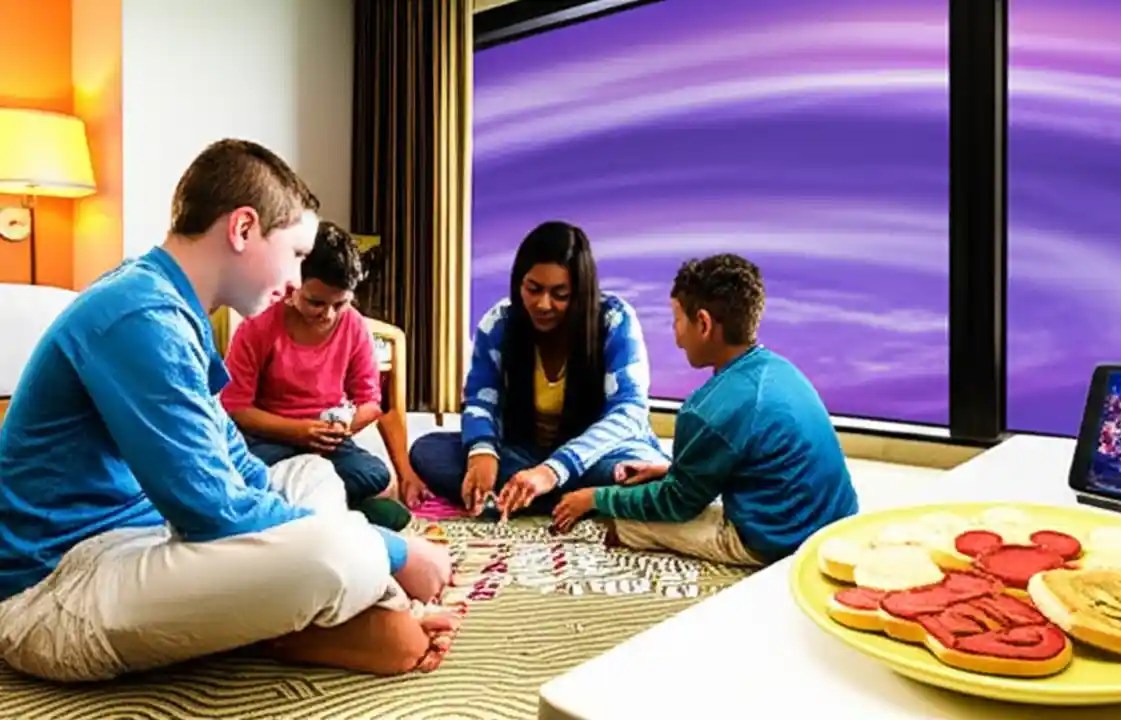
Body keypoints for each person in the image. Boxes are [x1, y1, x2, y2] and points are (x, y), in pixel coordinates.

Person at [0, 139, 456, 683]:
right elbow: (212, 510)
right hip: (56, 589)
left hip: (142, 538)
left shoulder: (166, 303)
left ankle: (309, 615)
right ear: (242, 228)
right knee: (341, 551)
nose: (296, 280)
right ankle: (314, 616)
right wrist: (395, 553)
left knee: (309, 475)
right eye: (295, 253)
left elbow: (235, 462)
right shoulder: (139, 317)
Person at [551, 253, 858, 566]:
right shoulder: (780, 370)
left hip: (780, 542)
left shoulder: (705, 411)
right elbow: (747, 453)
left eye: (677, 320)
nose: (676, 336)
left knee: (625, 523)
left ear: (704, 323)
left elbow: (677, 503)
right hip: (837, 524)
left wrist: (594, 497)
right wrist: (669, 470)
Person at [407, 220, 668, 518]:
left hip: (595, 455)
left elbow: (628, 413)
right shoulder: (500, 323)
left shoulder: (615, 320)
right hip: (526, 453)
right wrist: (482, 452)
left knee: (641, 470)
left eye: (560, 294)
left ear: (581, 292)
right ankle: (576, 499)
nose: (543, 304)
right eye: (533, 289)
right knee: (428, 451)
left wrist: (553, 470)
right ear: (519, 284)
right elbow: (480, 399)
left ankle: (537, 494)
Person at [221, 219, 416, 531]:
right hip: (269, 440)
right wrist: (299, 431)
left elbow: (369, 402)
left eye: (340, 303)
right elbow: (237, 407)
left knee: (375, 473)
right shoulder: (258, 325)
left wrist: (340, 428)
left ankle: (299, 509)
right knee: (240, 472)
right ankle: (339, 512)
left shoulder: (353, 325)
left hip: (327, 445)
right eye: (316, 302)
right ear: (293, 284)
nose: (328, 314)